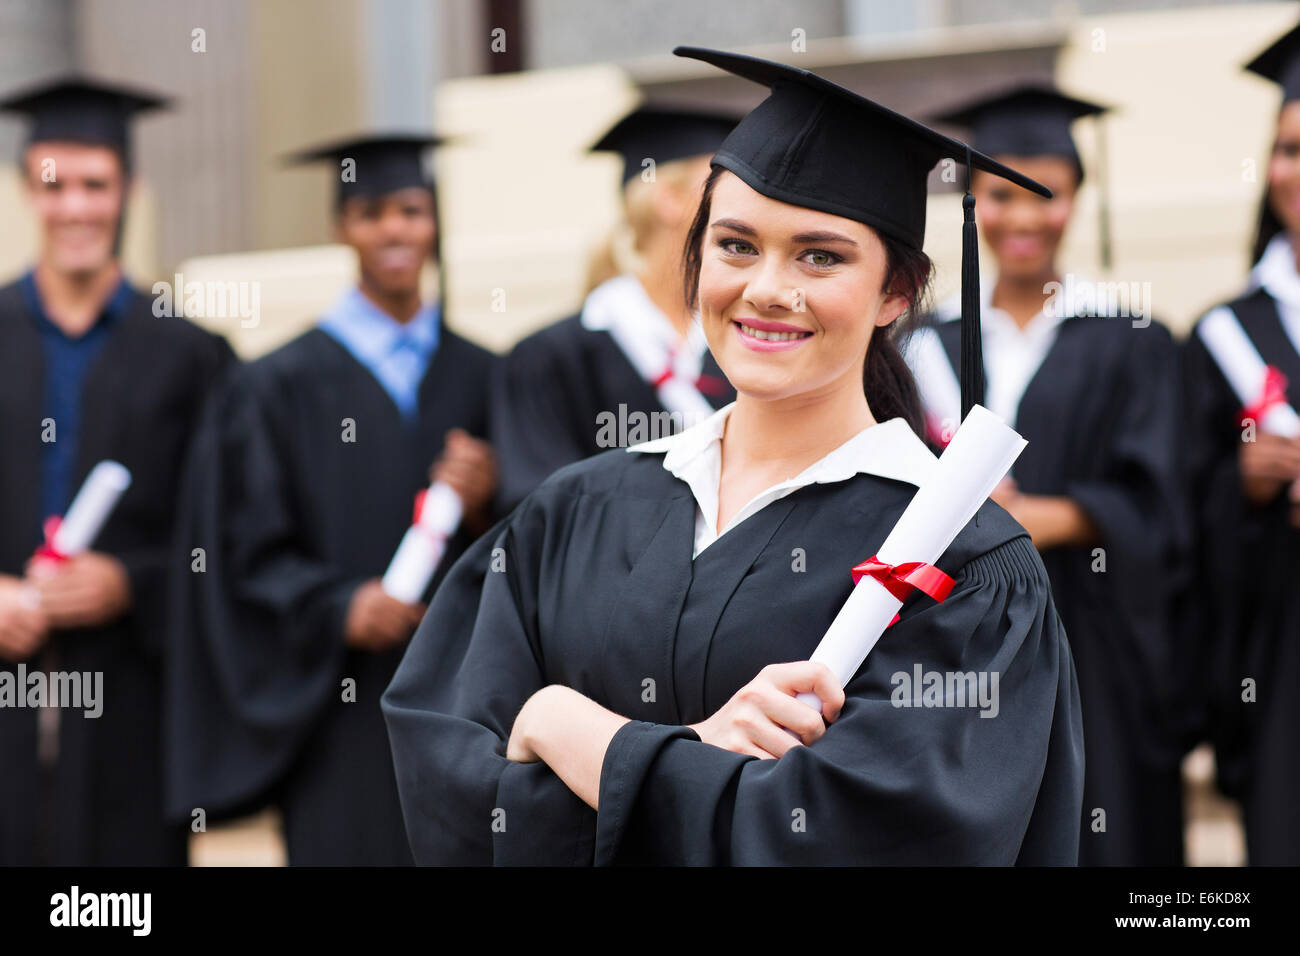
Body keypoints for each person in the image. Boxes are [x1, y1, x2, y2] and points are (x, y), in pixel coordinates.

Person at [383, 48, 1084, 865]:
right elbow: (448, 787)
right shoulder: (573, 512)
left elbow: (863, 840)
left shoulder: (965, 567)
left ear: (896, 294)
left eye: (820, 256)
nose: (767, 289)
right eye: (736, 246)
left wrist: (569, 728)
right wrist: (697, 765)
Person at [166, 133, 497, 865]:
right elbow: (242, 552)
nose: (394, 230)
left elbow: (532, 542)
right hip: (337, 708)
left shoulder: (484, 375)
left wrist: (484, 499)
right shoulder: (274, 387)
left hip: (465, 704)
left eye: (410, 210)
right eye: (372, 212)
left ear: (433, 221)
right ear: (341, 226)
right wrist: (338, 606)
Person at [905, 85, 1188, 866]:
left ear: (1076, 200)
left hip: (1093, 635)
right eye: (1000, 195)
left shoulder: (1132, 338)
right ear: (973, 203)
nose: (1023, 217)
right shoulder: (922, 345)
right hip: (956, 641)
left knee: (1110, 825)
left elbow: (1162, 501)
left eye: (1047, 196)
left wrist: (1022, 519)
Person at [0, 77, 232, 865]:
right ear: (28, 187)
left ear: (128, 189)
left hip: (134, 703)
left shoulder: (190, 355)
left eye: (96, 185)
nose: (77, 209)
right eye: (55, 185)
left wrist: (132, 583)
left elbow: (227, 539)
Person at [491, 106, 738, 512]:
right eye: (719, 182)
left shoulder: (742, 338)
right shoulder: (550, 357)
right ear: (668, 200)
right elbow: (538, 508)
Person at [1182, 21, 1300, 866]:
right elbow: (1184, 516)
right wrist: (1244, 486)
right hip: (1282, 659)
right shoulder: (1226, 334)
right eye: (1290, 149)